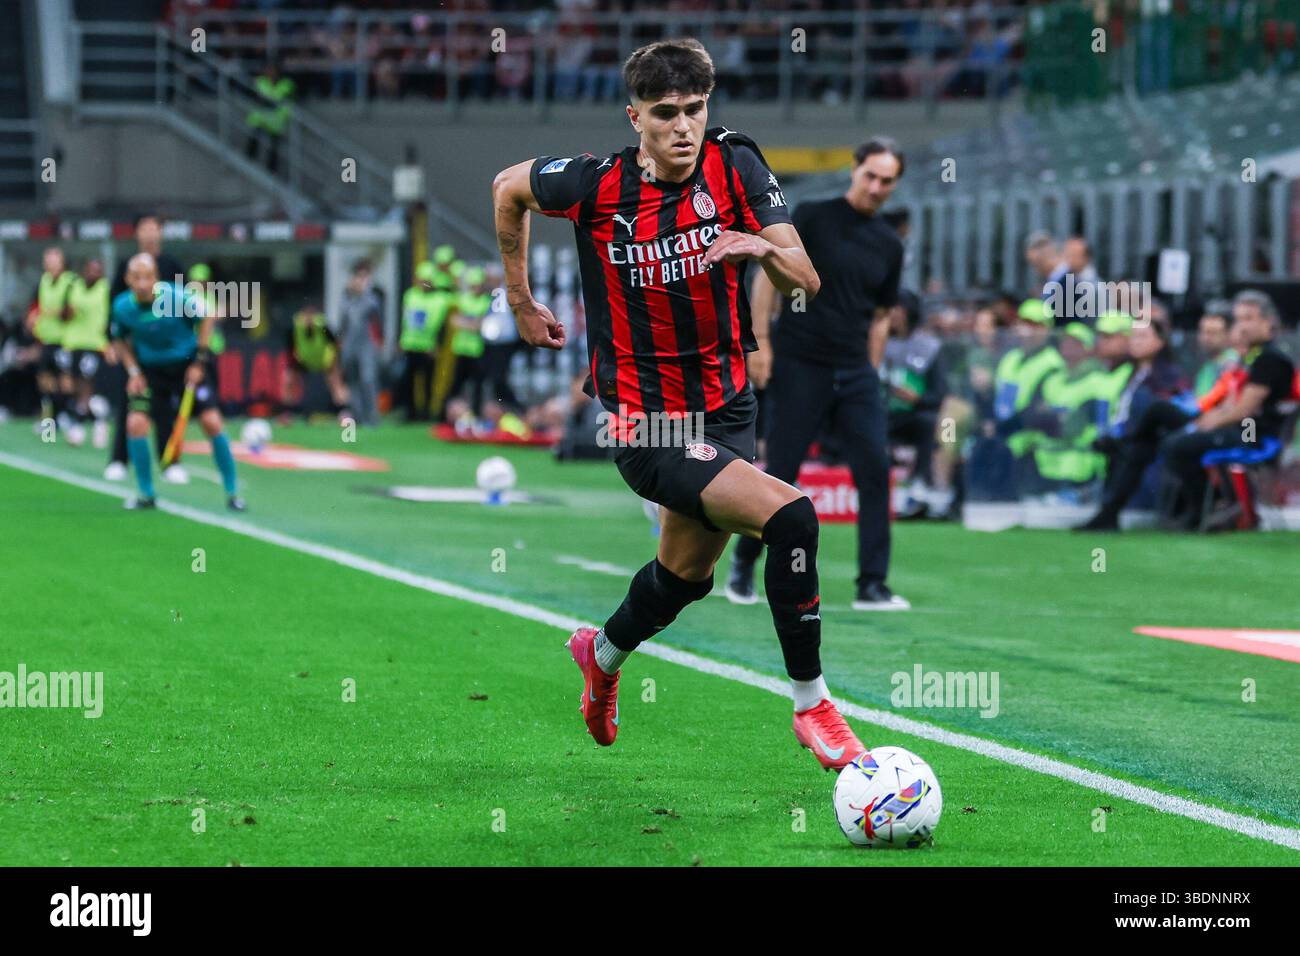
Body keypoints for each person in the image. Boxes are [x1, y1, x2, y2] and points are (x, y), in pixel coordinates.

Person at [492, 37, 868, 771]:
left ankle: (599, 656)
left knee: (685, 577)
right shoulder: (595, 186)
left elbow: (807, 282)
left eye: (695, 109)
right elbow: (508, 185)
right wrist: (519, 299)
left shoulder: (737, 165)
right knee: (792, 515)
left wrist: (758, 248)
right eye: (665, 113)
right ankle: (813, 705)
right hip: (645, 420)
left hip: (726, 408)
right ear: (635, 117)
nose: (684, 127)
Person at [727, 135, 909, 612]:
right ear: (854, 169)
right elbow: (767, 274)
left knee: (874, 470)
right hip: (799, 361)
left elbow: (882, 316)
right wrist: (760, 343)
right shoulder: (811, 215)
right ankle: (744, 565)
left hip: (854, 370)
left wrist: (869, 371)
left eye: (886, 181)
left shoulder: (890, 244)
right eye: (870, 175)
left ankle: (873, 584)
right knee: (780, 472)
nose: (876, 187)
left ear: (895, 185)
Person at [109, 253, 244, 512]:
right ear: (127, 279)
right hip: (150, 371)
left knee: (211, 422)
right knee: (135, 424)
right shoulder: (122, 307)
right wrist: (134, 371)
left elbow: (206, 319)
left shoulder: (176, 297)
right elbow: (119, 340)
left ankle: (232, 492)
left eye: (147, 277)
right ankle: (146, 494)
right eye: (136, 277)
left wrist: (199, 362)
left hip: (186, 366)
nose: (142, 283)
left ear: (156, 278)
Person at [106, 215, 186, 483]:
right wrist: (112, 344)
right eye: (145, 229)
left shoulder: (173, 265)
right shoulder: (125, 269)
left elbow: (190, 307)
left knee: (166, 409)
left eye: (154, 229)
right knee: (129, 405)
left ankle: (169, 462)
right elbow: (115, 312)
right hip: (135, 350)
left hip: (166, 354)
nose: (150, 234)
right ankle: (119, 460)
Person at [63, 258, 112, 448]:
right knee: (74, 386)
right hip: (73, 342)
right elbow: (65, 316)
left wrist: (109, 343)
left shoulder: (105, 290)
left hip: (95, 344)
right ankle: (100, 420)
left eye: (98, 270)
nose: (94, 273)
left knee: (86, 385)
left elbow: (110, 317)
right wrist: (69, 311)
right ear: (85, 271)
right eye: (91, 270)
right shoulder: (74, 287)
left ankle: (78, 427)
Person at [26, 246, 75, 437]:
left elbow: (72, 311)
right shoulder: (43, 281)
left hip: (65, 340)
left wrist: (50, 313)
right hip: (46, 339)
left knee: (65, 382)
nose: (51, 264)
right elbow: (35, 307)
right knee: (45, 382)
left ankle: (67, 417)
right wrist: (32, 317)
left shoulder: (70, 282)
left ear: (62, 262)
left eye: (54, 260)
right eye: (48, 260)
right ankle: (49, 424)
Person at [282, 302, 350, 422]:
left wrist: (334, 363)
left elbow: (336, 344)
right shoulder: (295, 329)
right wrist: (295, 363)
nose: (309, 320)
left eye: (311, 316)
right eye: (306, 316)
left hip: (324, 361)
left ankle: (344, 412)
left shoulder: (323, 327)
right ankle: (287, 414)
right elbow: (291, 350)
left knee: (336, 381)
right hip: (304, 361)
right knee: (288, 379)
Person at [398, 261, 447, 422]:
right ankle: (410, 412)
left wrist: (436, 344)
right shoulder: (410, 295)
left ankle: (426, 413)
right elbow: (405, 320)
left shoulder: (440, 299)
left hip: (427, 347)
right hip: (410, 345)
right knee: (408, 382)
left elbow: (442, 325)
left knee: (427, 383)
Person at [337, 260, 381, 426]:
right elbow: (343, 322)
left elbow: (373, 312)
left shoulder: (372, 298)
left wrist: (363, 293)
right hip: (349, 346)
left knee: (368, 379)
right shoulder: (346, 298)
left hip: (366, 345)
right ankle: (359, 416)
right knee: (353, 381)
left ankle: (372, 417)